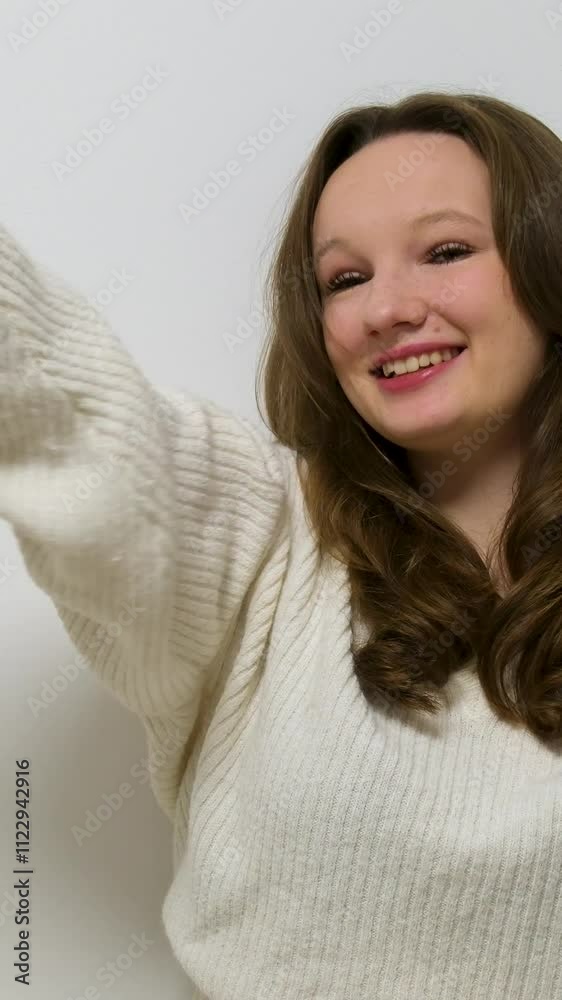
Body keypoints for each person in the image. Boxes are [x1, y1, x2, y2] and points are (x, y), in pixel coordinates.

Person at [2, 89, 561, 998]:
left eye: (446, 252)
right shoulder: (261, 535)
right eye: (344, 279)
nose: (385, 309)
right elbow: (69, 420)